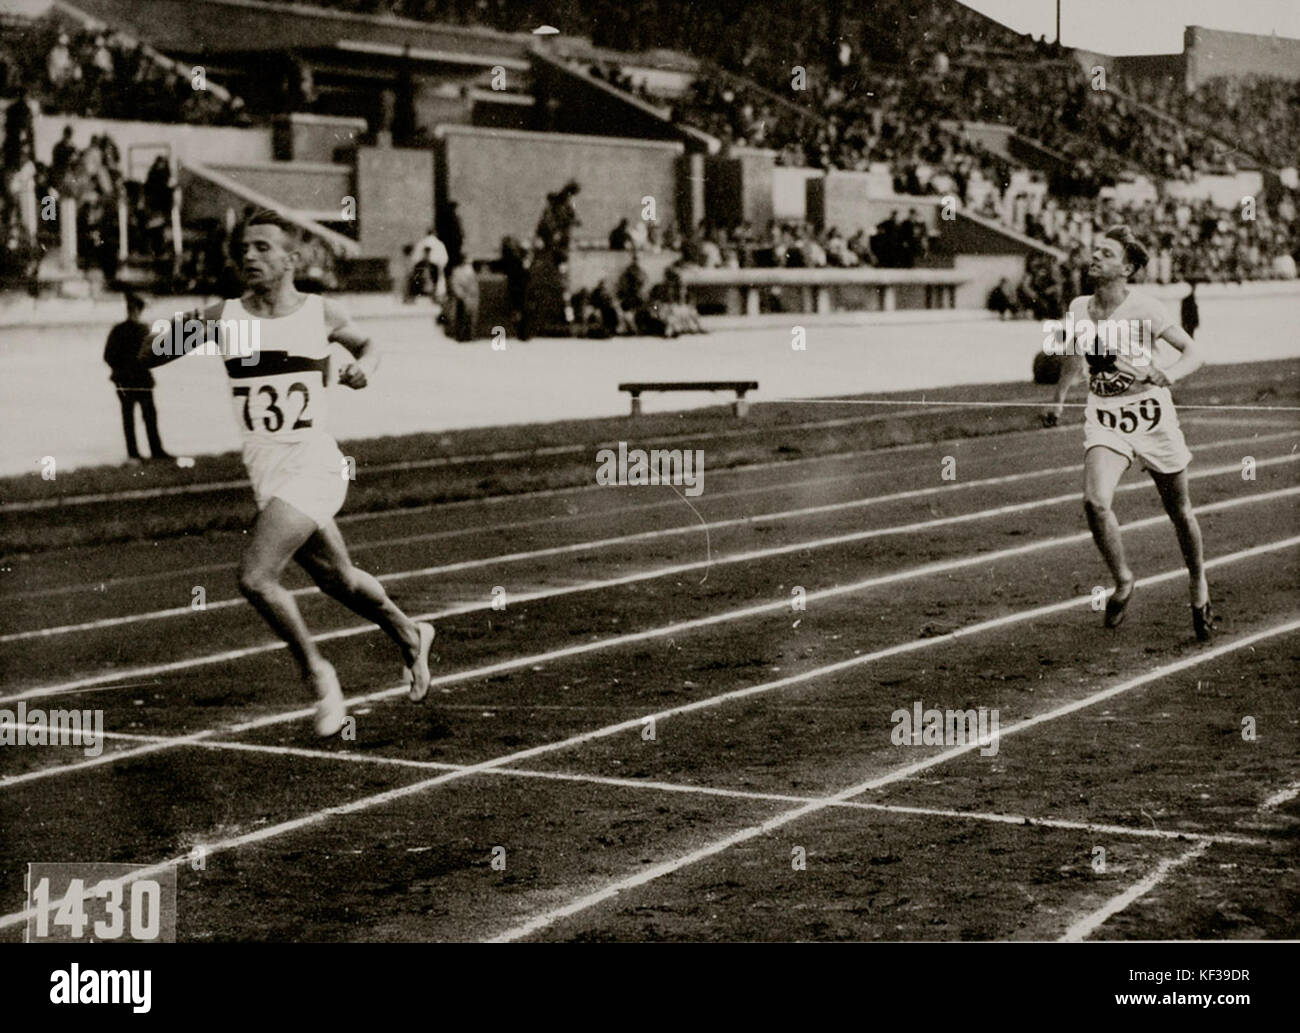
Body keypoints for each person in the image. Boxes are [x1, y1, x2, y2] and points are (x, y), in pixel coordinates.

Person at [147, 210, 435, 735]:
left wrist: (361, 371)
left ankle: (319, 676)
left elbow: (370, 345)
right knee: (337, 578)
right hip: (268, 473)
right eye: (244, 249)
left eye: (262, 248)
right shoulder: (225, 318)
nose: (250, 257)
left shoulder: (320, 313)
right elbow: (150, 353)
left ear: (291, 259)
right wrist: (184, 327)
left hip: (314, 464)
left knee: (256, 578)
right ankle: (411, 633)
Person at [1042, 225, 1213, 641]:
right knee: (1095, 502)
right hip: (1105, 416)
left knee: (1180, 510)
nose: (1094, 257)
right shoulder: (1079, 306)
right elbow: (1071, 357)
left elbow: (1195, 353)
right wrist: (1060, 398)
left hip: (1152, 416)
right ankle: (1123, 580)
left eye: (1106, 253)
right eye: (1094, 250)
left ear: (1128, 268)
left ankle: (1198, 584)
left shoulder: (1146, 308)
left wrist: (1167, 374)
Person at [104, 293, 169, 462]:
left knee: (129, 417)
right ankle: (156, 451)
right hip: (141, 379)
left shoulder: (118, 330)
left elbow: (108, 356)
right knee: (149, 416)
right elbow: (154, 355)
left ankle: (134, 454)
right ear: (139, 311)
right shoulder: (143, 330)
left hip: (124, 379)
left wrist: (120, 369)